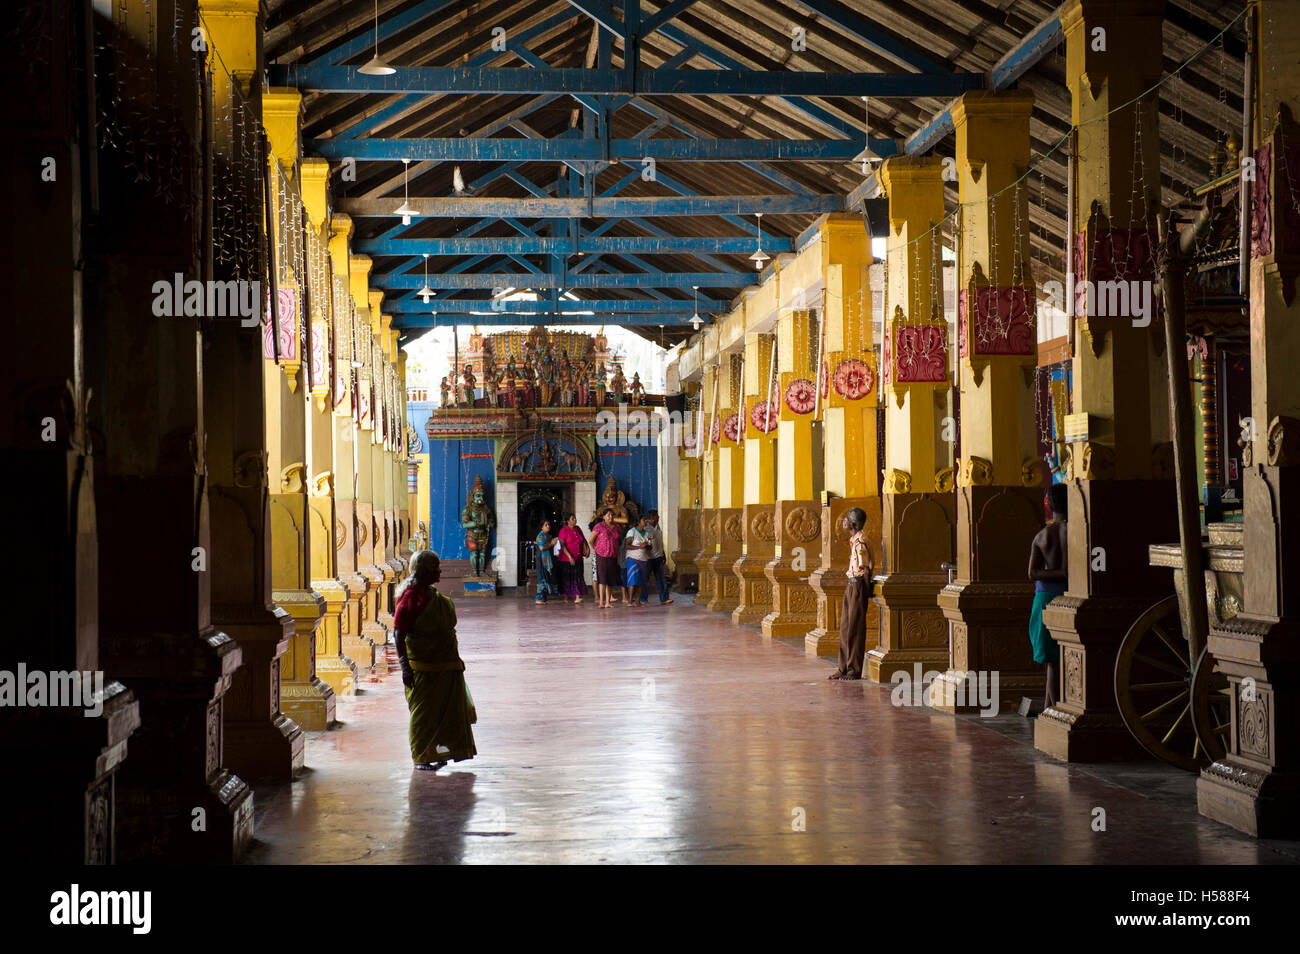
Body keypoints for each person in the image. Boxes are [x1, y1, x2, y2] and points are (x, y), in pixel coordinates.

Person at [393, 550, 476, 770]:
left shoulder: (431, 595)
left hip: (445, 665)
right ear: (425, 571)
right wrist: (405, 667)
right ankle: (420, 756)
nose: (440, 570)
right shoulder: (411, 598)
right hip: (422, 668)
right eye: (436, 567)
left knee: (442, 713)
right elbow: (399, 634)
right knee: (423, 715)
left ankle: (433, 752)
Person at [1029, 483, 1068, 709]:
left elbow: (1032, 573)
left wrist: (1055, 573)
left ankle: (1053, 711)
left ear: (1047, 504)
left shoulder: (1043, 535)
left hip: (1044, 599)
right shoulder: (1079, 532)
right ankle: (1051, 710)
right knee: (1062, 660)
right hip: (1072, 597)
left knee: (1052, 663)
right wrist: (1065, 574)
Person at [829, 508, 873, 680]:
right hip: (851, 584)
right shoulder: (854, 541)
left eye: (846, 519)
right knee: (845, 627)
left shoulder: (861, 543)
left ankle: (853, 669)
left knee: (854, 628)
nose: (843, 521)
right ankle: (842, 668)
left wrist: (864, 590)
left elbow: (865, 568)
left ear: (852, 524)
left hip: (858, 585)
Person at [589, 508, 623, 609]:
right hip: (602, 556)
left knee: (610, 580)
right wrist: (597, 548)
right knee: (602, 579)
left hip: (612, 556)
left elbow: (619, 541)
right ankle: (601, 602)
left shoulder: (617, 527)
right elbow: (591, 540)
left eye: (612, 515)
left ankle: (608, 602)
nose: (610, 517)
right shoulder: (599, 526)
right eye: (608, 515)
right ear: (603, 517)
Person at [556, 513, 589, 604]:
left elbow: (583, 540)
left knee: (578, 577)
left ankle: (577, 597)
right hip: (566, 559)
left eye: (575, 518)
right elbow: (562, 545)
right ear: (568, 521)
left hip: (578, 557)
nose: (575, 520)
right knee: (567, 578)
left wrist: (587, 549)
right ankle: (566, 597)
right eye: (572, 519)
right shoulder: (564, 530)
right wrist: (570, 557)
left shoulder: (578, 529)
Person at [644, 510, 674, 605]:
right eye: (657, 516)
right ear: (652, 517)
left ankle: (664, 598)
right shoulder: (646, 528)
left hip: (658, 557)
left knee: (661, 579)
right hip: (649, 558)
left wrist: (663, 553)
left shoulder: (658, 527)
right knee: (645, 579)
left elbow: (660, 542)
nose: (659, 517)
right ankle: (643, 599)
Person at [624, 514, 652, 608]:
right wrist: (639, 547)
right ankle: (630, 601)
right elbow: (626, 545)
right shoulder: (632, 532)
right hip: (633, 559)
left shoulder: (647, 534)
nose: (646, 521)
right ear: (638, 522)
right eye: (644, 520)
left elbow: (650, 547)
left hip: (643, 560)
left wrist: (647, 545)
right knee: (633, 580)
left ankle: (638, 601)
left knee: (641, 581)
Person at [534, 519, 557, 604]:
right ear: (541, 527)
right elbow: (542, 548)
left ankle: (544, 599)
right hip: (541, 560)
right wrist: (551, 544)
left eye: (549, 524)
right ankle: (538, 598)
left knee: (547, 578)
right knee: (542, 578)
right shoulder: (540, 536)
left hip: (548, 560)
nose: (548, 526)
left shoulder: (549, 536)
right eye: (546, 525)